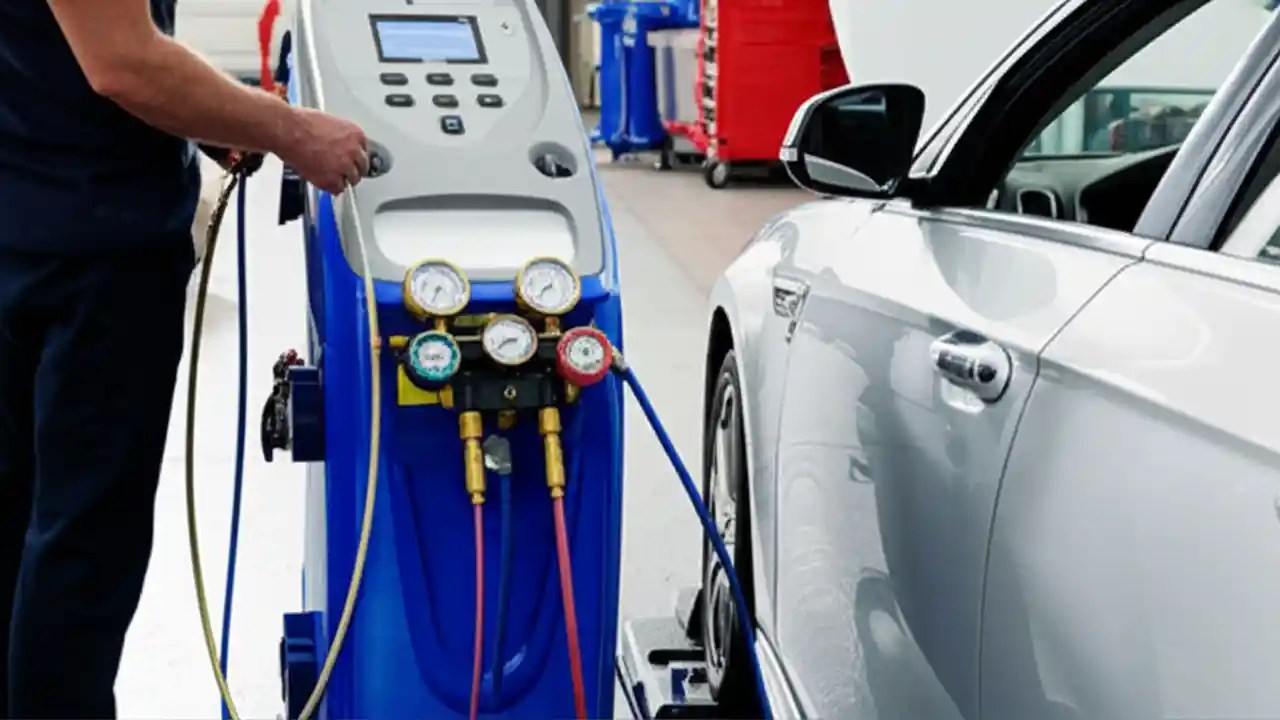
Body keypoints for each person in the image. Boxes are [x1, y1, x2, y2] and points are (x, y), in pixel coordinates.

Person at [0, 0, 369, 716]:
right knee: (81, 551)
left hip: (28, 217)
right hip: (87, 260)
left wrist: (203, 114)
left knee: (19, 529)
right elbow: (122, 63)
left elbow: (60, 52)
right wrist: (291, 131)